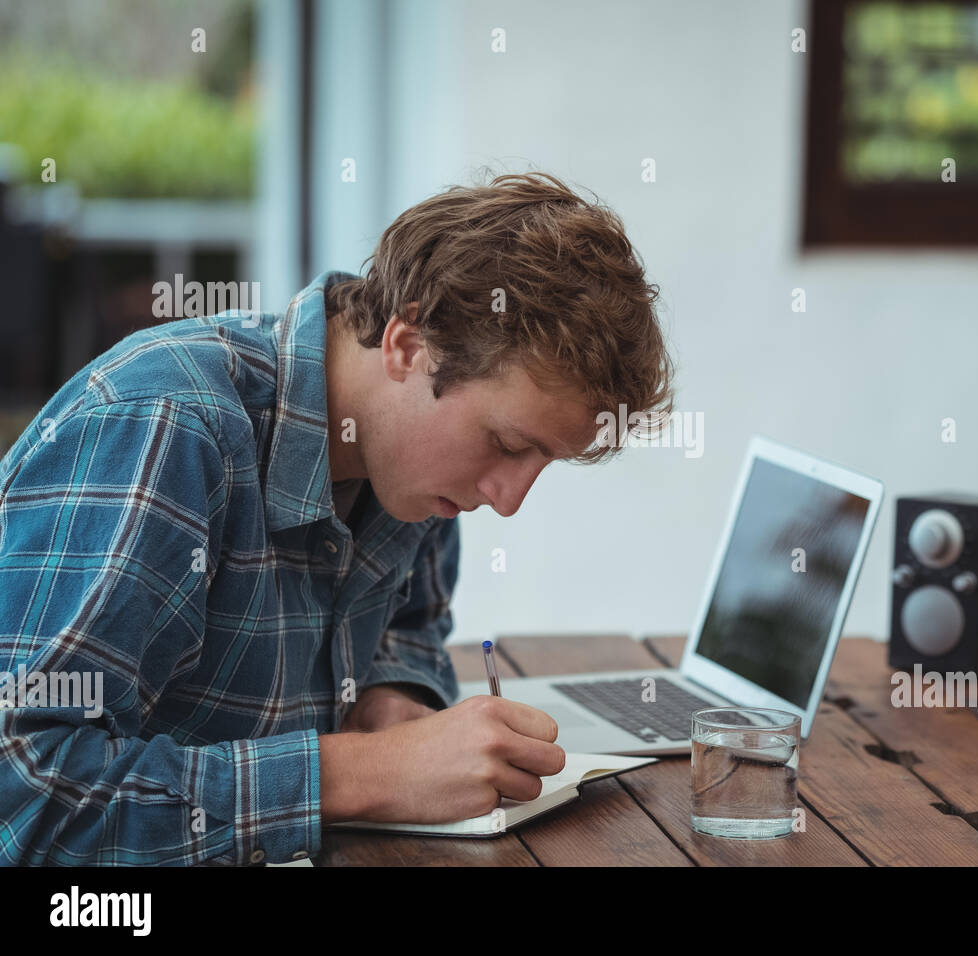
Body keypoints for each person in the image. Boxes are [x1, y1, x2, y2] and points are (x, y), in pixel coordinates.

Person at [0, 171, 674, 865]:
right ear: (407, 347)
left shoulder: (408, 462)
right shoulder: (165, 430)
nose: (508, 499)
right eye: (506, 445)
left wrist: (394, 697)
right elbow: (24, 793)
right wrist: (365, 772)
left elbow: (411, 623)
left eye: (546, 462)